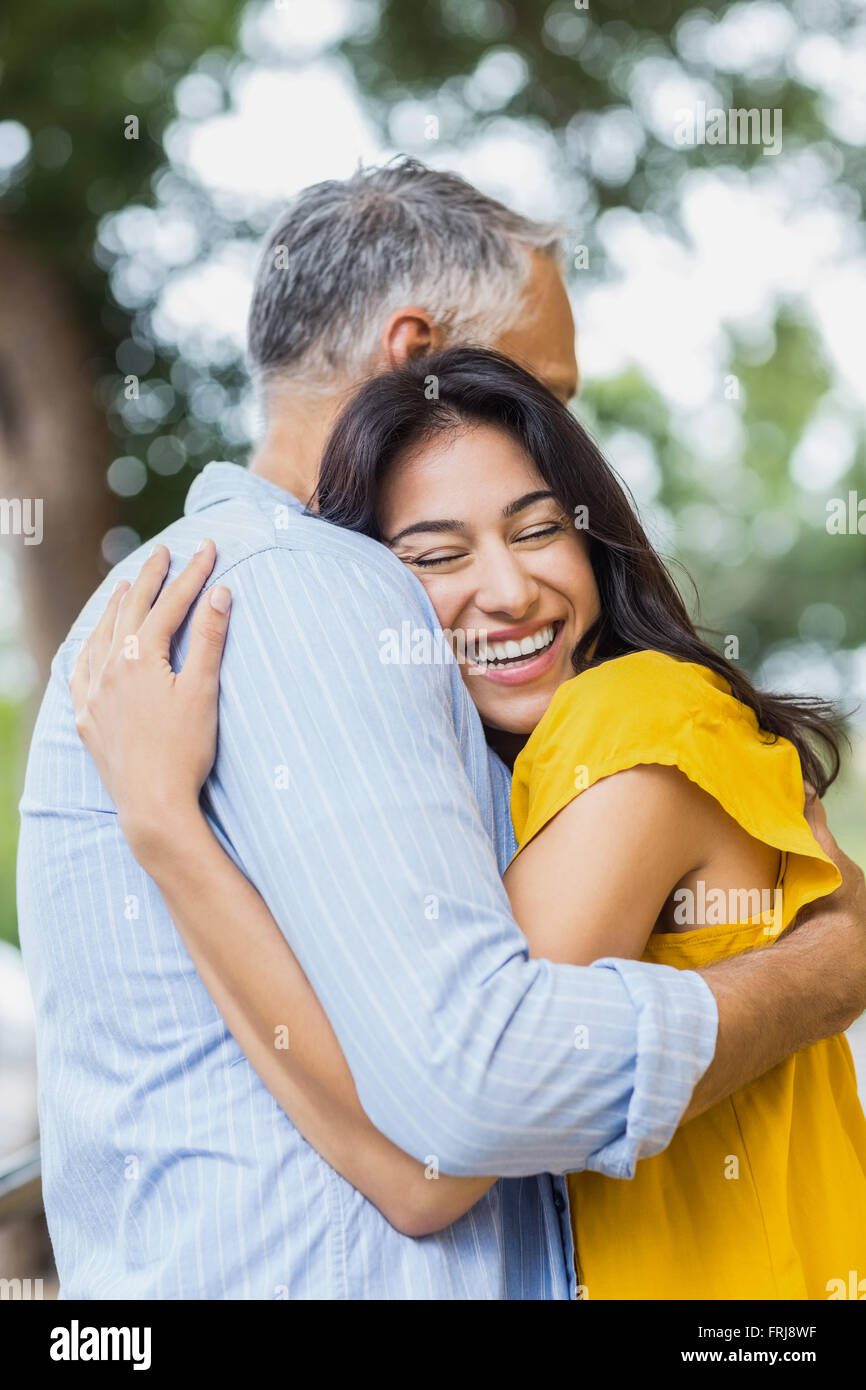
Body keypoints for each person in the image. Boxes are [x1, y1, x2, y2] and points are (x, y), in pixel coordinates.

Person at [18, 160, 866, 1300]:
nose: (555, 434)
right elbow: (470, 1101)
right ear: (421, 362)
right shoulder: (304, 590)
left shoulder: (252, 599)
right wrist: (822, 969)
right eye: (544, 388)